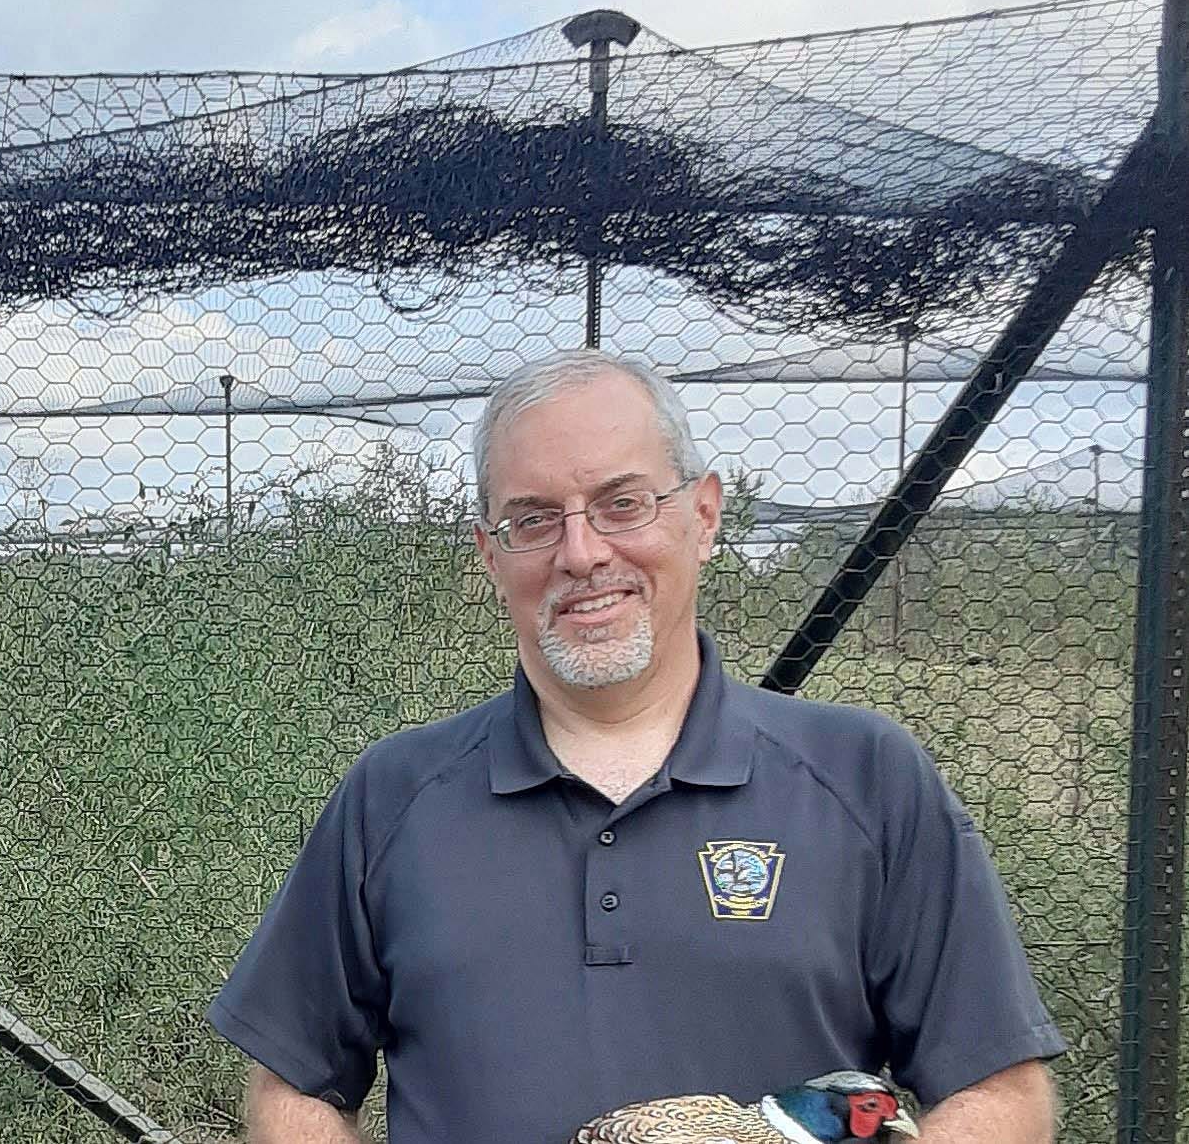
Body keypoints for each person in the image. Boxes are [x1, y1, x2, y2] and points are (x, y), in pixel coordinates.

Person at [208, 348, 1063, 1144]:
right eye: (533, 519)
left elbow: (1000, 1088)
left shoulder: (866, 778)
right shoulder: (392, 795)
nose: (581, 552)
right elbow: (293, 1084)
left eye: (622, 502)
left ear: (702, 513)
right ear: (489, 555)